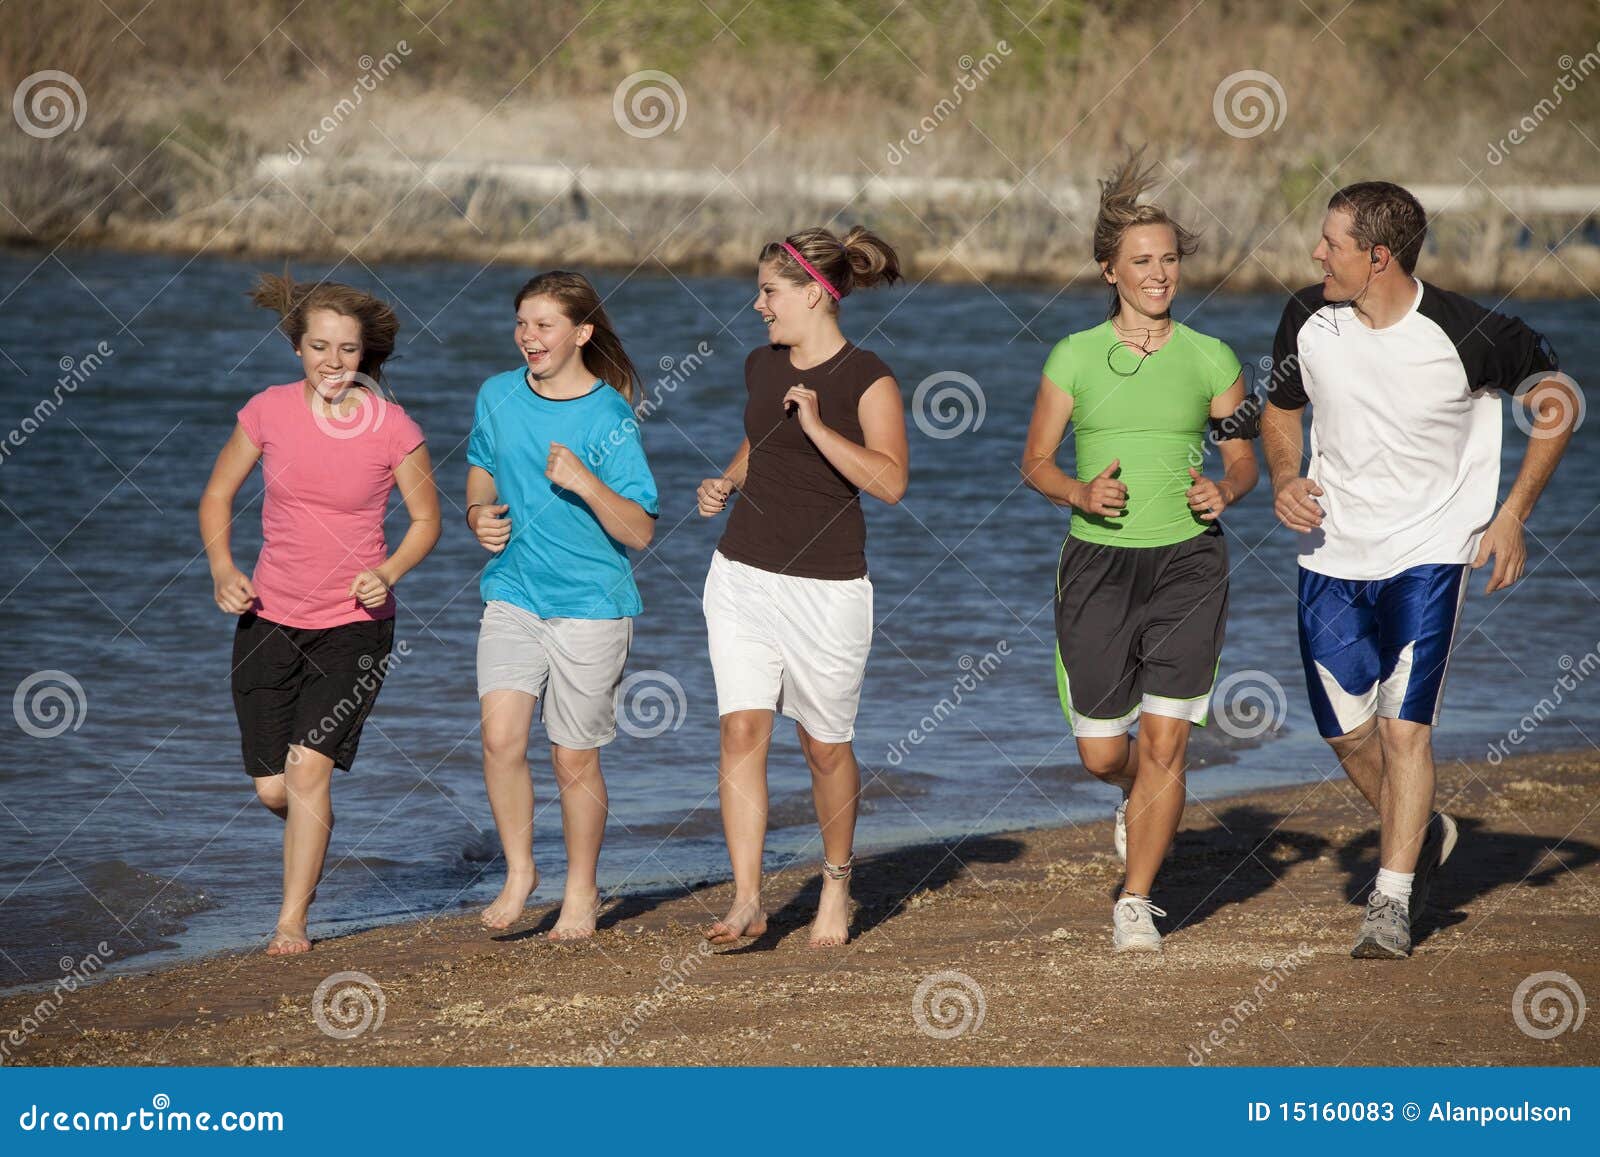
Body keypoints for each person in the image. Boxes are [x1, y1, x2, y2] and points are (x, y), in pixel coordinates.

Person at [1263, 181, 1574, 959]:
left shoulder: (1470, 332)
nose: (1315, 254)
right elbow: (1279, 408)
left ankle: (1391, 902)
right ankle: (1424, 826)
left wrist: (1511, 514)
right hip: (1333, 551)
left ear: (1378, 257)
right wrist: (1282, 475)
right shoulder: (1308, 315)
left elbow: (1559, 399)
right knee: (1346, 731)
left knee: (1407, 726)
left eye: (1330, 242)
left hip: (1432, 551)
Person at [1021, 154, 1259, 953]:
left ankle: (1136, 900)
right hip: (1098, 565)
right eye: (1142, 262)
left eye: (1169, 260)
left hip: (1191, 562)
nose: (1159, 275)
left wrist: (1227, 487)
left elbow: (1245, 454)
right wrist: (1081, 493)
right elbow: (1036, 463)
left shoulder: (1212, 357)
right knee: (1102, 753)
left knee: (1167, 742)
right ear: (1109, 271)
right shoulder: (1073, 356)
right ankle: (1139, 800)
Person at [199, 273, 440, 956]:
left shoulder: (395, 428)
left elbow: (427, 521)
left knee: (309, 770)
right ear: (297, 348)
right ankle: (312, 824)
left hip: (356, 627)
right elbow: (216, 497)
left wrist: (387, 571)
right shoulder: (267, 412)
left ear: (366, 355)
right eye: (319, 347)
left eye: (348, 350)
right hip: (270, 616)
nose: (334, 363)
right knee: (274, 786)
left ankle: (291, 922)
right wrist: (224, 568)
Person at [697, 226, 908, 948]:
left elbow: (890, 482)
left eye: (770, 291)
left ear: (816, 295)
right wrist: (729, 478)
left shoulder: (868, 376)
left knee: (823, 748)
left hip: (827, 589)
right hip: (742, 573)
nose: (758, 306)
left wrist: (817, 424)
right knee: (740, 728)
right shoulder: (762, 365)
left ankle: (836, 884)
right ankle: (748, 899)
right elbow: (763, 439)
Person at [466, 271, 658, 940]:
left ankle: (582, 888)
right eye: (522, 323)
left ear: (582, 333)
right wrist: (476, 512)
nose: (528, 336)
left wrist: (583, 480)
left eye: (544, 325)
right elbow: (482, 464)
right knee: (499, 738)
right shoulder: (496, 393)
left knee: (572, 758)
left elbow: (639, 530)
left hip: (591, 605)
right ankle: (521, 871)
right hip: (513, 591)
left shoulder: (608, 416)